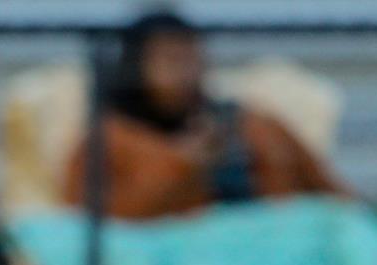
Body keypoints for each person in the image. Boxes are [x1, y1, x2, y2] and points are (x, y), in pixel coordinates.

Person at [62, 8, 346, 221]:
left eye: (194, 59)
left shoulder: (254, 126)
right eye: (172, 61)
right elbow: (88, 232)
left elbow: (332, 195)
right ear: (135, 68)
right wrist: (183, 163)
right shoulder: (109, 141)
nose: (188, 73)